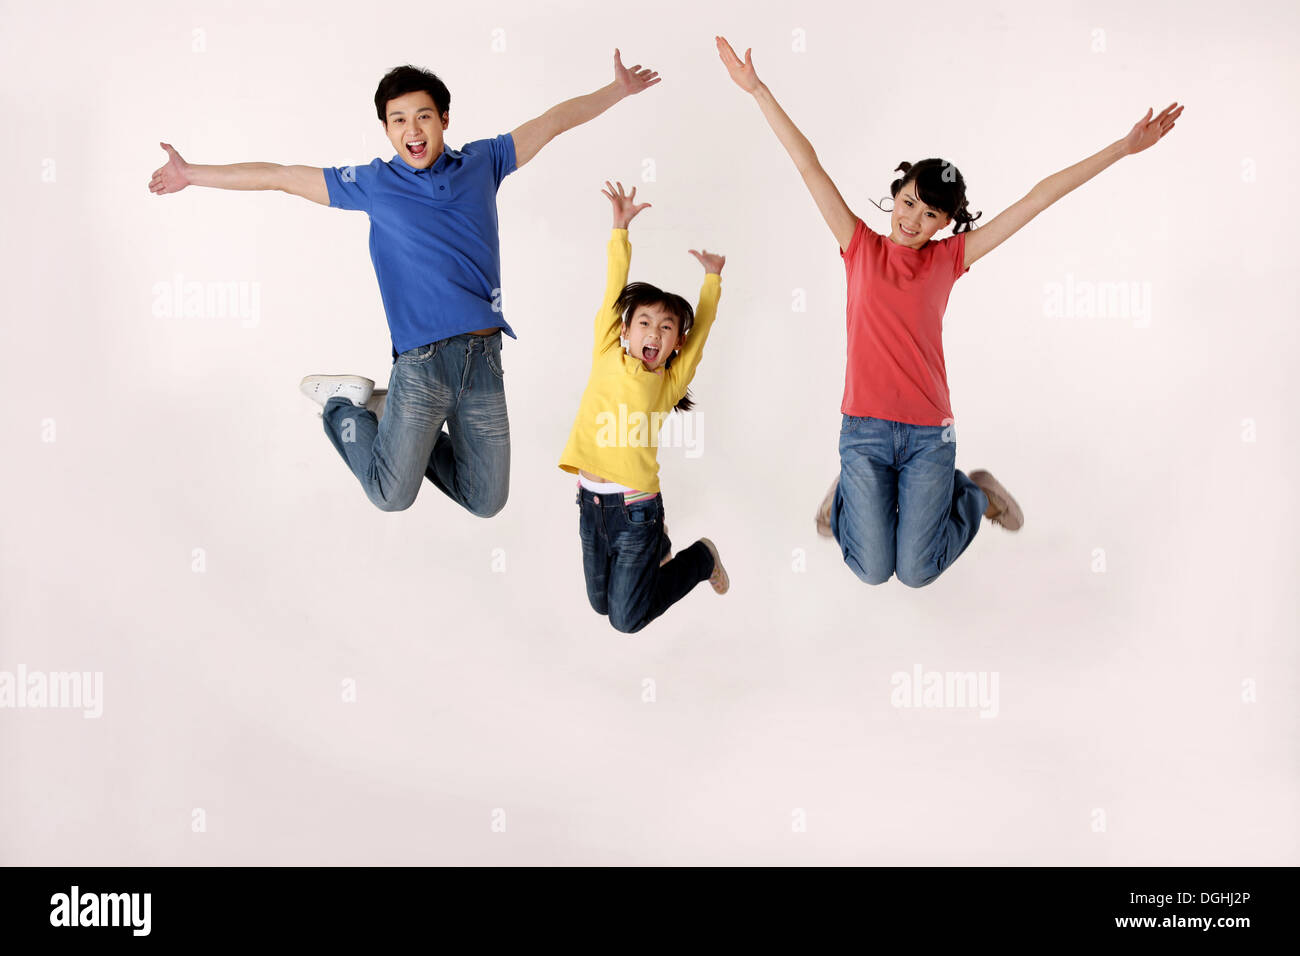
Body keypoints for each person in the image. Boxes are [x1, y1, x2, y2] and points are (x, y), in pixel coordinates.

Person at [715, 35, 1182, 587]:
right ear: (898, 193)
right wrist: (758, 89)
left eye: (930, 213)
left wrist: (1121, 149)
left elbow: (1037, 197)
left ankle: (977, 492)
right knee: (870, 570)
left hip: (927, 437)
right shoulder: (859, 245)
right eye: (909, 201)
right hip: (862, 432)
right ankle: (845, 497)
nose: (912, 220)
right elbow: (808, 165)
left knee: (914, 571)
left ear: (945, 224)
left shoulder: (950, 259)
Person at [148, 52, 661, 516]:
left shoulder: (484, 162)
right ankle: (344, 405)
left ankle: (388, 413)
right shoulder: (373, 184)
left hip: (484, 363)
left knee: (487, 500)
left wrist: (616, 90)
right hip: (421, 363)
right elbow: (281, 174)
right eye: (398, 121)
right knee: (391, 495)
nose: (412, 130)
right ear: (387, 130)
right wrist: (192, 173)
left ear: (443, 120)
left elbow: (550, 123)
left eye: (422, 116)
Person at [559, 181, 729, 633]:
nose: (653, 334)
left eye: (666, 328)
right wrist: (620, 230)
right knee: (600, 605)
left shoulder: (667, 383)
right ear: (626, 331)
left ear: (676, 344)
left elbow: (702, 335)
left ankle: (699, 559)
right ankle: (660, 548)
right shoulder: (605, 350)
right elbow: (614, 288)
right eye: (645, 323)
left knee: (626, 618)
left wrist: (711, 281)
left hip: (636, 510)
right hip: (590, 504)